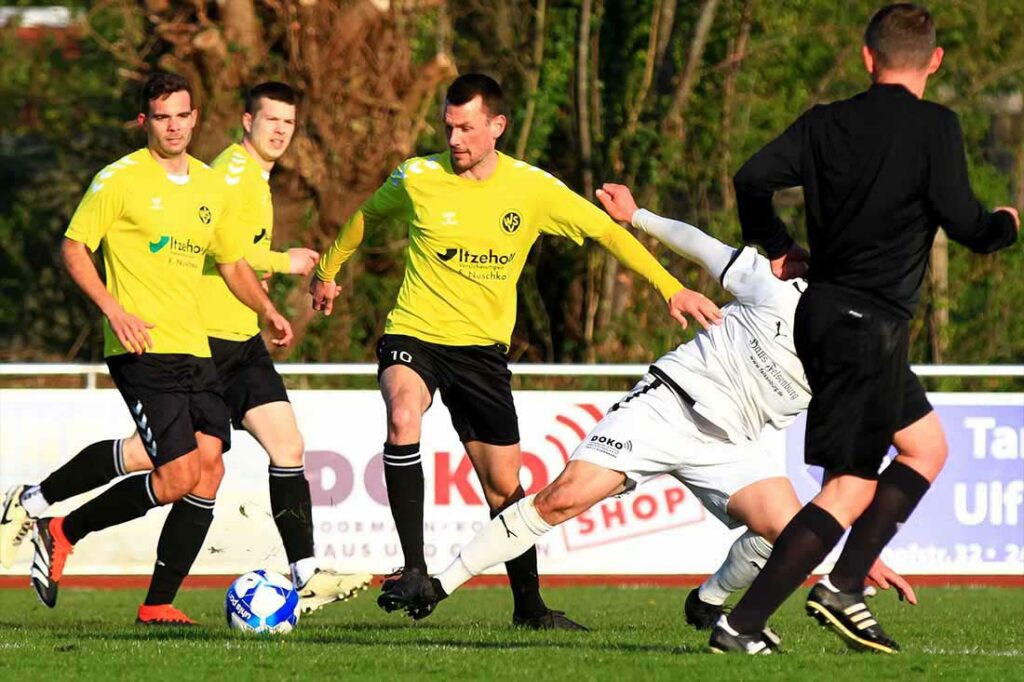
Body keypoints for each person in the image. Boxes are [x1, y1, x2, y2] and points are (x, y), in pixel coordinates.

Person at [369, 183, 915, 647]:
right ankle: (437, 585)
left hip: (738, 444)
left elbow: (846, 460)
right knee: (561, 499)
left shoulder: (861, 347)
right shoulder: (779, 280)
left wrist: (852, 552)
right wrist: (637, 217)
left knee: (791, 533)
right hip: (669, 406)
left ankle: (710, 600)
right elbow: (705, 249)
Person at [309, 74, 723, 629]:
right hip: (415, 335)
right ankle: (413, 568)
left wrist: (670, 286)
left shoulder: (533, 189)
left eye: (467, 128)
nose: (454, 138)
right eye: (449, 126)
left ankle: (530, 608)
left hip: (482, 355)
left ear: (497, 127)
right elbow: (365, 217)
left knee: (506, 489)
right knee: (404, 413)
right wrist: (327, 271)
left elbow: (608, 233)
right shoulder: (418, 175)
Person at [710, 3, 1020, 654]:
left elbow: (752, 177)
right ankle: (744, 624)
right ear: (934, 60)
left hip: (829, 316)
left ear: (866, 57)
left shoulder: (827, 123)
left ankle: (845, 584)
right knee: (852, 484)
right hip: (865, 325)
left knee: (926, 448)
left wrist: (774, 242)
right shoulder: (936, 126)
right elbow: (967, 224)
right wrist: (1007, 224)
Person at [0, 82, 372, 614]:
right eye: (160, 116)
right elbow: (74, 246)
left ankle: (95, 554)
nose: (172, 125)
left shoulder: (208, 183)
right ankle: (54, 521)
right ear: (144, 120)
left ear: (195, 118)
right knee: (176, 473)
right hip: (144, 345)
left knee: (204, 465)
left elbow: (229, 260)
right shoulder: (123, 178)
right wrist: (114, 309)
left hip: (199, 346)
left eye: (180, 116)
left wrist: (267, 311)